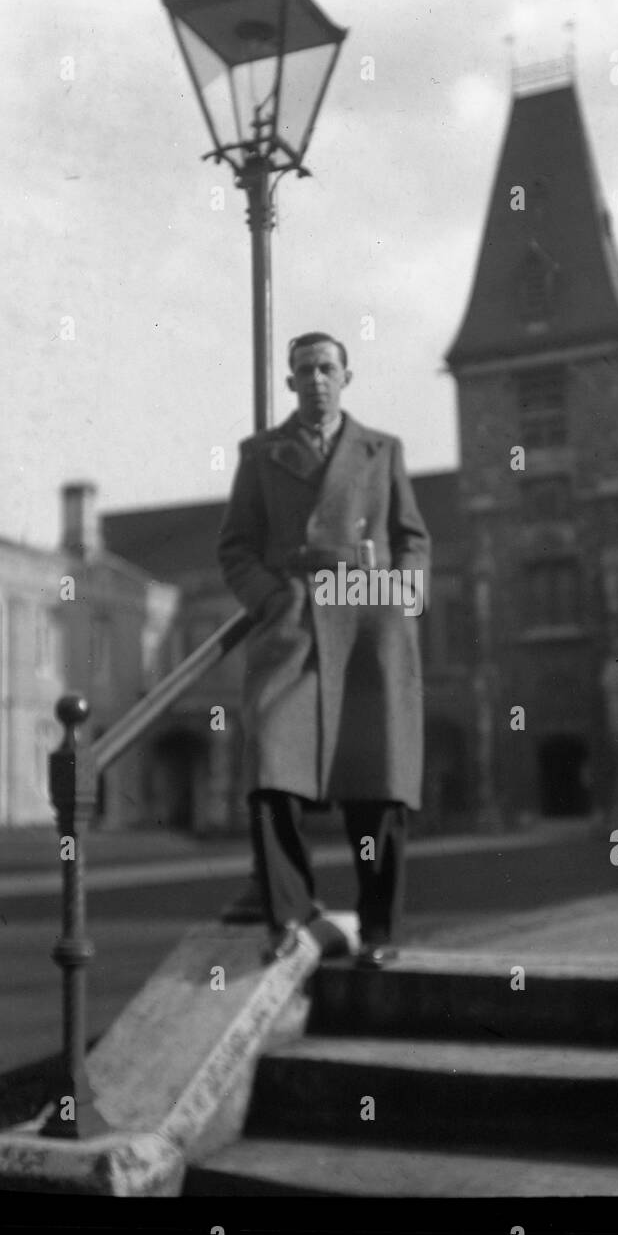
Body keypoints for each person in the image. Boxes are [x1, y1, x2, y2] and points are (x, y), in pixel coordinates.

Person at [217, 331, 431, 968]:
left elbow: (413, 538)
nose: (316, 379)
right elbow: (235, 546)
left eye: (327, 368)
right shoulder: (260, 455)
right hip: (293, 624)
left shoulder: (381, 450)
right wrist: (269, 600)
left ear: (347, 376)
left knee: (377, 782)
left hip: (371, 627)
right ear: (289, 382)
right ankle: (289, 919)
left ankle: (381, 933)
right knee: (272, 769)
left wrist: (397, 596)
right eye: (304, 369)